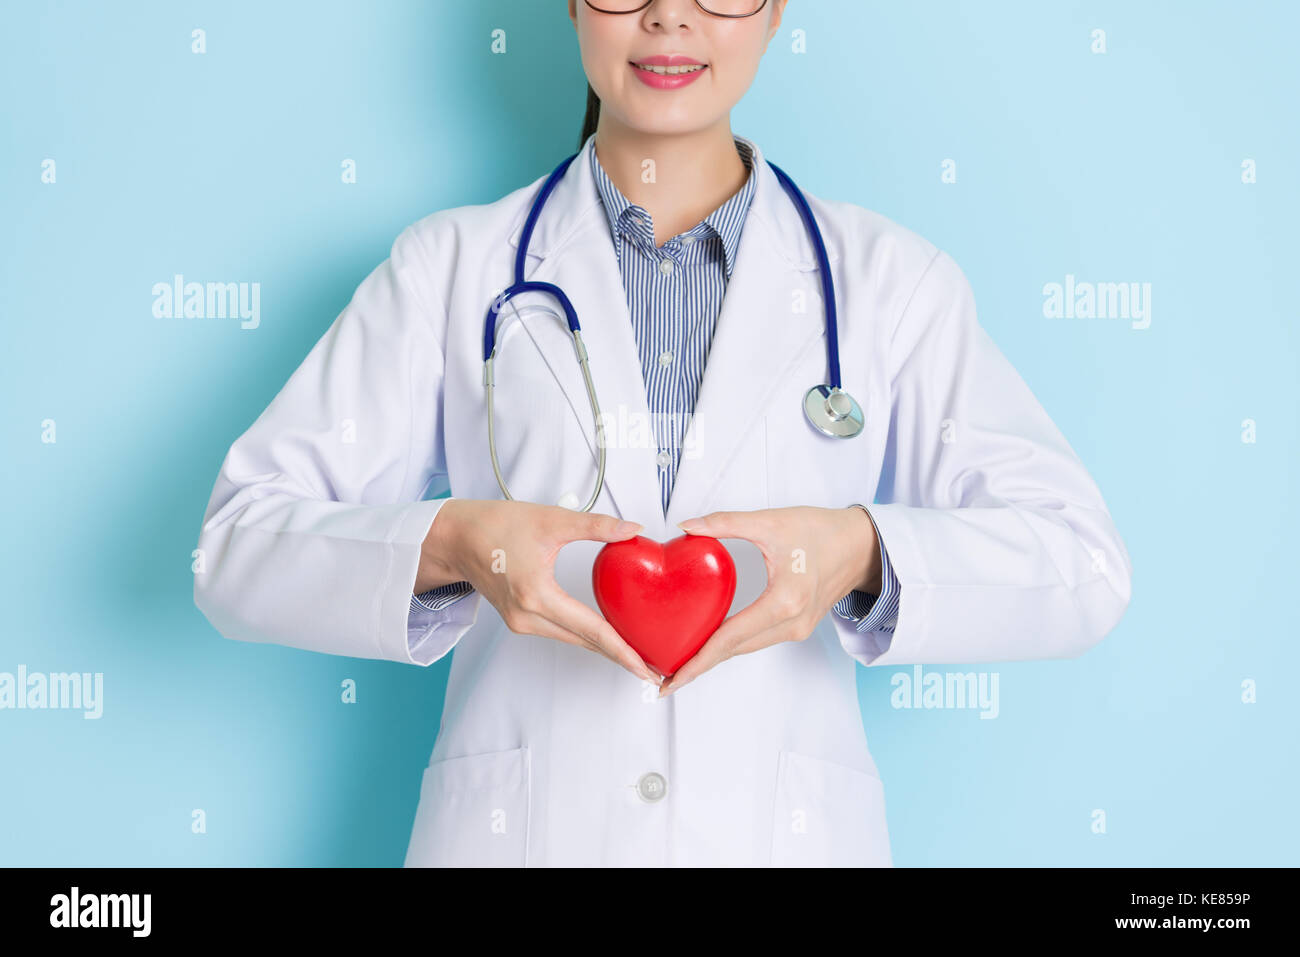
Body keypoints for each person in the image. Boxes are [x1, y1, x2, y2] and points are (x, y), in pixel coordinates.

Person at [194, 0, 1132, 867]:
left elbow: (1082, 567)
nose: (669, 15)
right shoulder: (450, 268)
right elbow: (234, 551)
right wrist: (455, 542)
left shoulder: (889, 284)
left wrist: (860, 551)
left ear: (775, 10)